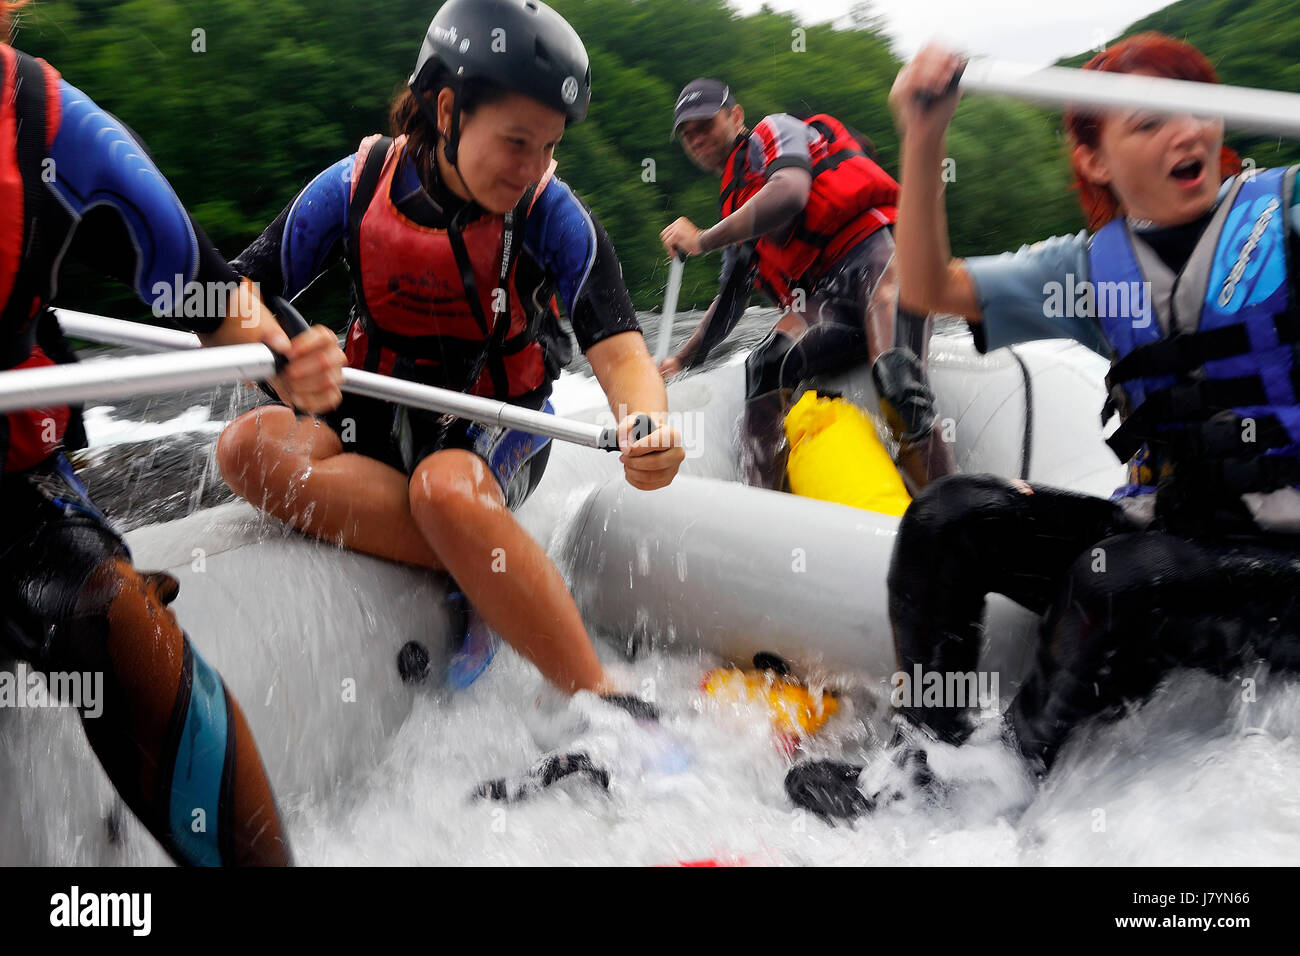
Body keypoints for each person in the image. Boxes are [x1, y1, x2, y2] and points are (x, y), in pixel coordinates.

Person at [787, 32, 1300, 819]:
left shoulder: (1287, 215)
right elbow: (926, 283)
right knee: (948, 516)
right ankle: (929, 751)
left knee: (1116, 573)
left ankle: (997, 786)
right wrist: (924, 137)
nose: (1188, 132)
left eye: (1198, 109)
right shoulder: (1089, 271)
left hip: (1281, 571)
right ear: (1096, 161)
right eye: (1153, 122)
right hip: (1172, 529)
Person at [215, 0, 684, 699]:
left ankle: (600, 692)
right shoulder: (355, 185)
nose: (536, 167)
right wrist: (285, 358)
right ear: (445, 110)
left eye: (551, 146)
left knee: (444, 489)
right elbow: (238, 293)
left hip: (495, 428)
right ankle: (472, 566)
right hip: (374, 409)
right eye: (518, 142)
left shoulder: (552, 214)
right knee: (245, 448)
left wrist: (647, 426)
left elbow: (619, 356)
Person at [0, 0, 346, 864]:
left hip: (10, 494)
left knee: (110, 609)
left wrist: (285, 359)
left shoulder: (52, 125)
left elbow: (204, 289)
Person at [659, 78, 954, 492]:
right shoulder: (735, 205)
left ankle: (950, 510)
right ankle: (771, 505)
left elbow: (791, 193)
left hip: (880, 265)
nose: (696, 139)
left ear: (736, 116)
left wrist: (703, 239)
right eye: (687, 134)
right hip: (827, 302)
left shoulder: (774, 132)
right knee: (764, 364)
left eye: (704, 125)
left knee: (896, 375)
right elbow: (731, 299)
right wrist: (681, 361)